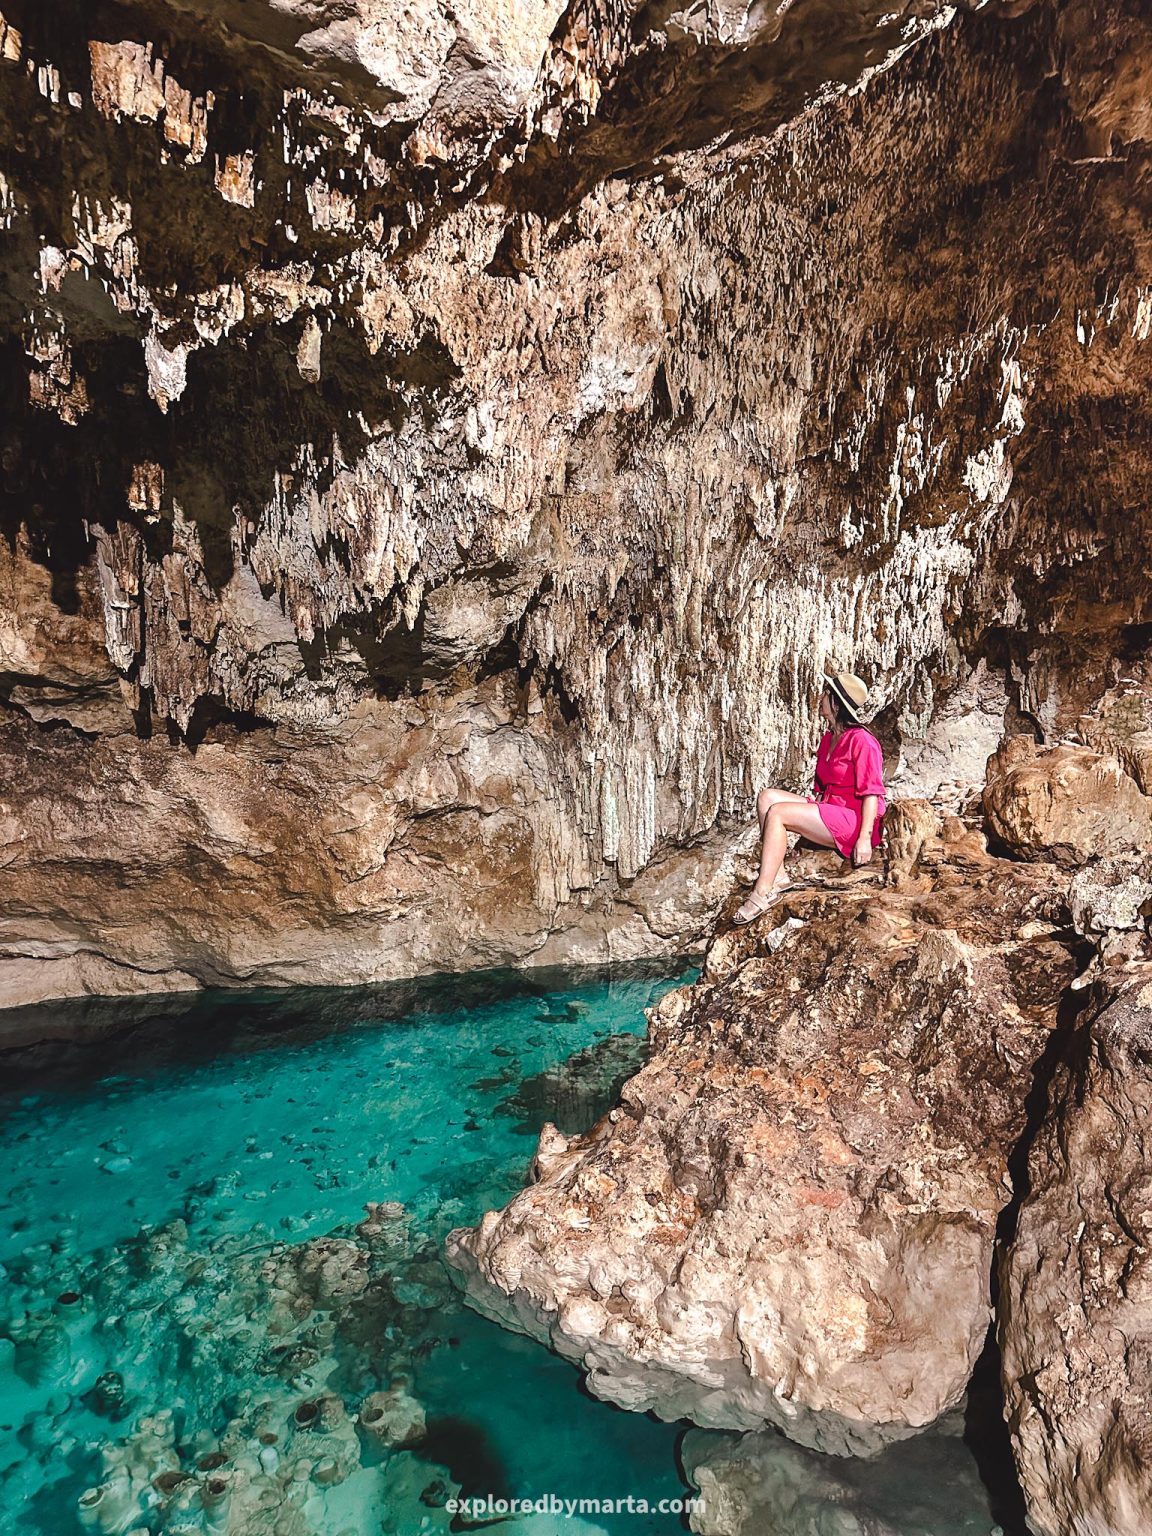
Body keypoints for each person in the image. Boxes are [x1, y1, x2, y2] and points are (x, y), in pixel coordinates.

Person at [733, 670, 886, 926]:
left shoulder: (862, 741)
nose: (821, 698)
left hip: (855, 820)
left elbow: (872, 793)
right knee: (767, 798)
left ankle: (762, 892)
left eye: (826, 694)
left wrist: (864, 840)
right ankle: (778, 875)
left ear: (835, 704)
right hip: (831, 806)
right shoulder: (829, 738)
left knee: (778, 813)